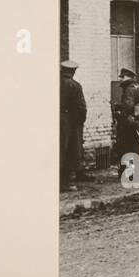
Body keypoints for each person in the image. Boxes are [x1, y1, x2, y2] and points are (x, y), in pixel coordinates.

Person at [59, 61, 87, 190]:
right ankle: (64, 183)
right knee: (70, 150)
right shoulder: (75, 86)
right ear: (73, 71)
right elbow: (81, 108)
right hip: (70, 122)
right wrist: (79, 122)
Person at [112, 67, 139, 173]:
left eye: (122, 77)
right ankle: (136, 171)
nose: (120, 79)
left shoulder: (129, 89)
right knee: (135, 146)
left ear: (129, 77)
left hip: (128, 123)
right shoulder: (136, 86)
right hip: (136, 122)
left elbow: (128, 105)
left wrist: (119, 113)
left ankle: (128, 172)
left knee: (126, 146)